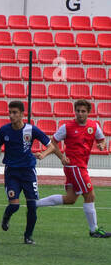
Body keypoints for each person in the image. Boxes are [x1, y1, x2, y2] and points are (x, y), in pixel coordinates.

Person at [0, 100, 68, 244]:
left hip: (28, 172)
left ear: (22, 114)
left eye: (15, 113)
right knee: (14, 205)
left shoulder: (31, 130)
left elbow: (51, 146)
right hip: (12, 172)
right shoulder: (4, 130)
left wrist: (43, 154)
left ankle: (28, 236)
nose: (11, 115)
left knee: (32, 206)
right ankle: (6, 217)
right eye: (10, 112)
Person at [35, 99, 110, 236]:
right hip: (75, 166)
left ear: (88, 113)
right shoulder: (67, 127)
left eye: (83, 111)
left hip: (80, 166)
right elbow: (53, 143)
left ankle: (34, 204)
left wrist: (102, 145)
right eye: (78, 111)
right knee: (90, 196)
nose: (80, 114)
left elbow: (102, 140)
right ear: (74, 111)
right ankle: (94, 230)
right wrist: (62, 157)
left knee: (70, 199)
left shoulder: (94, 126)